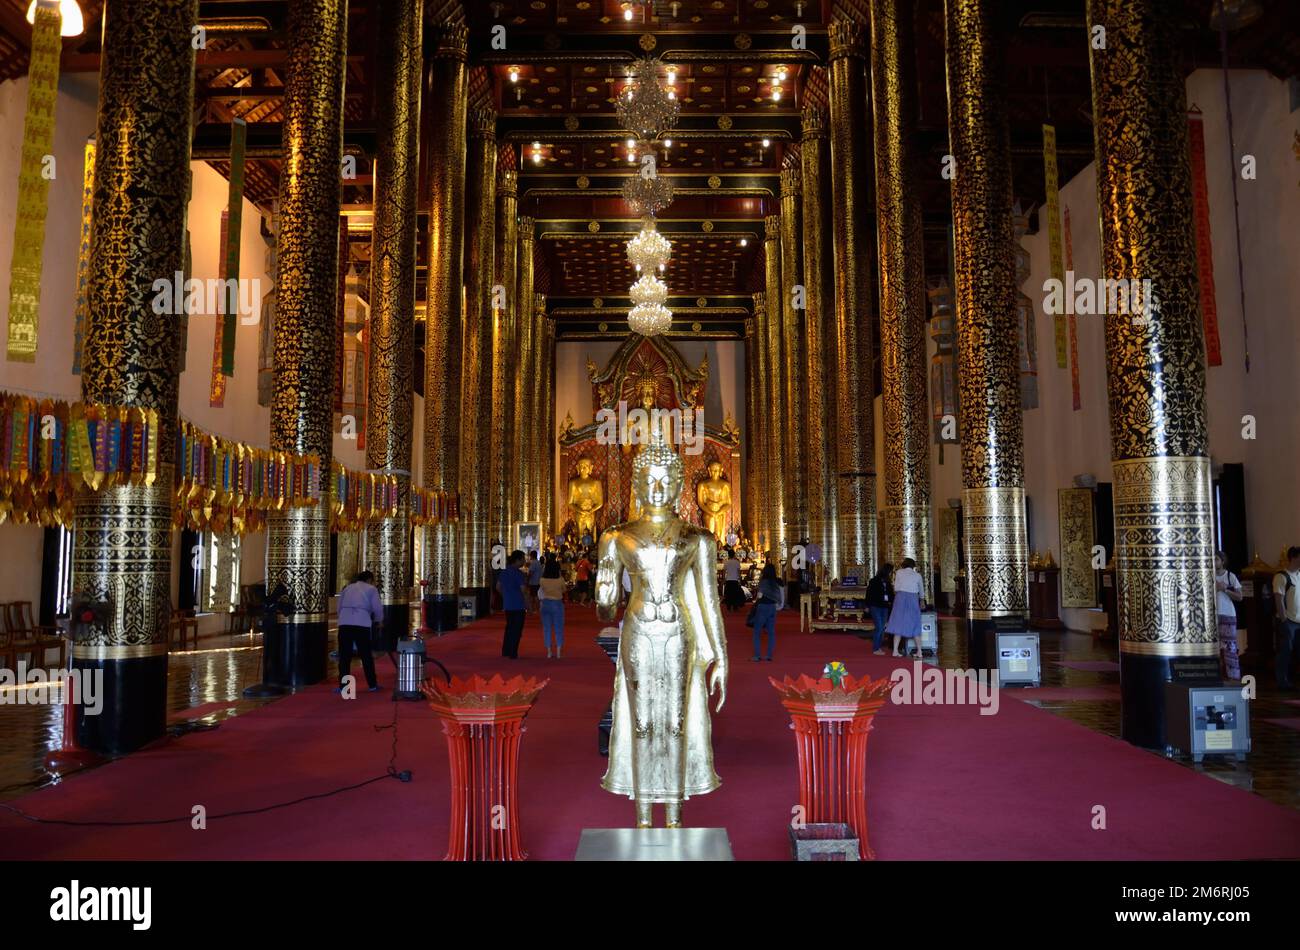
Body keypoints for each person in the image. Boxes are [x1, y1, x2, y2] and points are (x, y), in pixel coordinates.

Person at [336, 570, 382, 693]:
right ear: (369, 580)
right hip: (362, 623)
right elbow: (377, 607)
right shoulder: (371, 589)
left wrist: (343, 618)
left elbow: (339, 606)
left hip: (345, 623)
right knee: (366, 655)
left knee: (344, 656)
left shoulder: (347, 588)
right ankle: (372, 685)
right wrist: (379, 620)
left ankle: (344, 687)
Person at [1213, 552, 1244, 680]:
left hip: (1228, 614)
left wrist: (1225, 589)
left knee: (1229, 646)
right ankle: (1216, 674)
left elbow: (1240, 597)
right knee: (1214, 646)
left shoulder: (1230, 576)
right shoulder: (1209, 576)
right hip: (1212, 616)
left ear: (1222, 561)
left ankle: (1233, 676)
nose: (1214, 562)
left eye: (1216, 559)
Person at [1273, 546, 1300, 690]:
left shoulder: (1299, 575)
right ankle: (1282, 682)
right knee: (1285, 652)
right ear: (1294, 557)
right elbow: (1279, 600)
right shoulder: (1281, 576)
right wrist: (1283, 620)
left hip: (1299, 620)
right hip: (1288, 621)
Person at [886, 558, 924, 658]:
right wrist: (922, 600)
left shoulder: (899, 572)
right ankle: (919, 651)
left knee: (898, 624)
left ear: (904, 564)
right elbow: (921, 590)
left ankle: (895, 651)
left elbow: (896, 588)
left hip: (900, 598)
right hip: (913, 598)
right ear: (913, 566)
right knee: (915, 623)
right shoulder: (917, 575)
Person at [498, 550, 528, 659]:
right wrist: (528, 603)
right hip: (518, 605)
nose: (524, 561)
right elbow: (523, 590)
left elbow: (498, 587)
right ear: (517, 560)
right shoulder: (518, 573)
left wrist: (505, 595)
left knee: (509, 628)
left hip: (508, 604)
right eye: (523, 559)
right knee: (517, 630)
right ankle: (513, 652)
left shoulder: (504, 571)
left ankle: (506, 650)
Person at [751, 563, 784, 662]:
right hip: (772, 607)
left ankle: (757, 655)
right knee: (771, 633)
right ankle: (769, 655)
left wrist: (756, 600)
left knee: (757, 632)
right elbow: (778, 596)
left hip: (762, 607)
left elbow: (760, 595)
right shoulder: (776, 582)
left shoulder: (763, 582)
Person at [539, 554, 566, 659]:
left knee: (547, 628)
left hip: (545, 604)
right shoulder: (560, 580)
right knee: (559, 628)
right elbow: (564, 590)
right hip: (557, 603)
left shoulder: (542, 580)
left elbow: (542, 590)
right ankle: (558, 652)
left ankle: (549, 652)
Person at [866, 562, 894, 655]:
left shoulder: (888, 582)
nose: (891, 573)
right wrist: (867, 605)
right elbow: (869, 593)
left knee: (882, 627)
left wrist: (892, 602)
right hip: (875, 606)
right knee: (879, 627)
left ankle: (878, 647)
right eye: (890, 571)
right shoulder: (874, 581)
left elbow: (891, 594)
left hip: (885, 606)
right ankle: (876, 648)